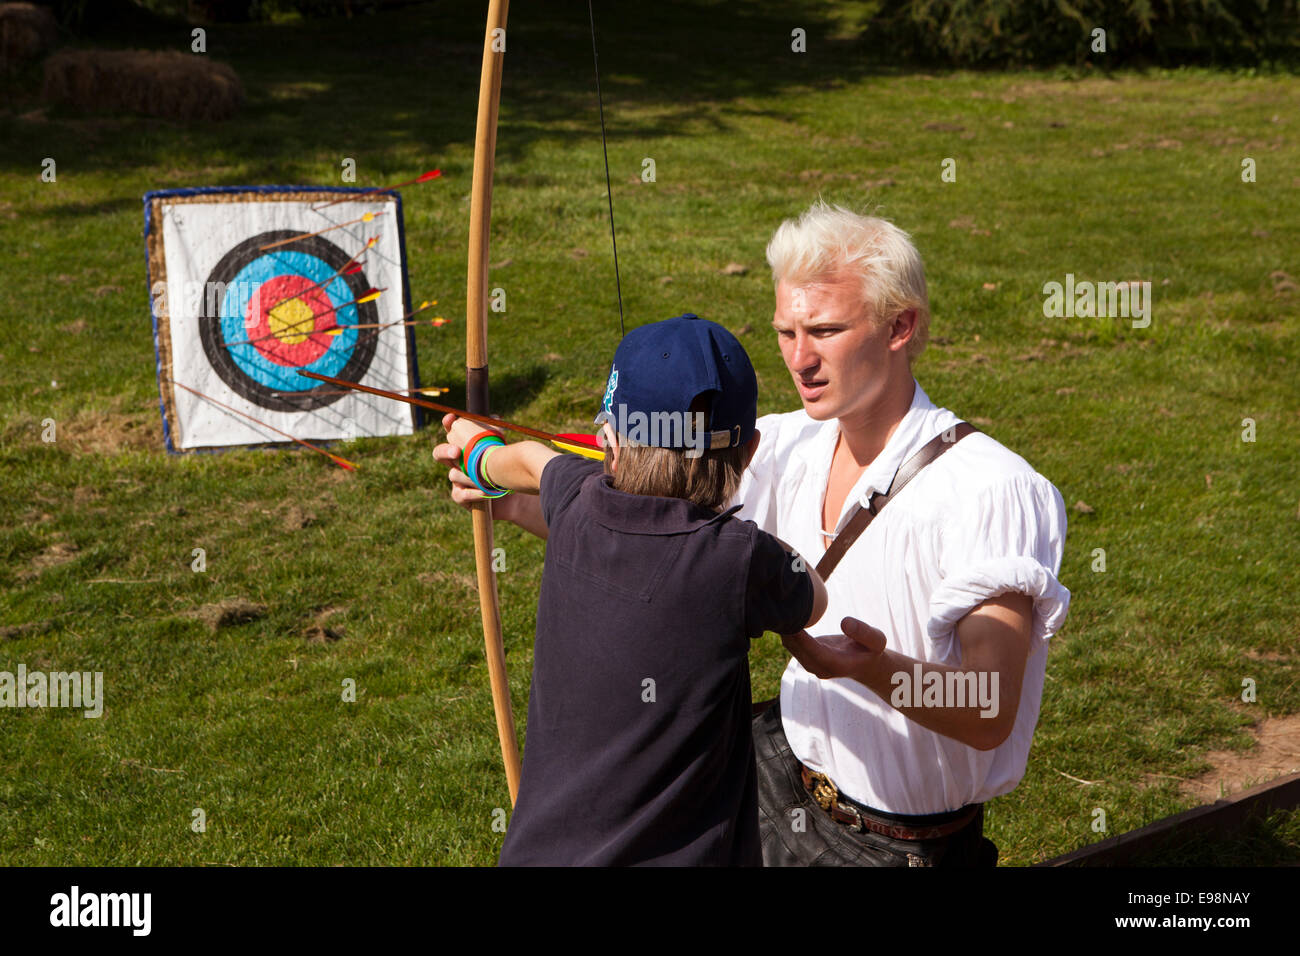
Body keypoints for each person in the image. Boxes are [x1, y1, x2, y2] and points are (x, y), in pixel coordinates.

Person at [739, 201, 1070, 866]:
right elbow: (645, 520)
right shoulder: (788, 444)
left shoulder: (990, 490)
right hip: (774, 770)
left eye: (825, 331)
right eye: (785, 332)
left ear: (901, 326)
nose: (799, 360)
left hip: (896, 846)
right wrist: (502, 484)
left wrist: (876, 671)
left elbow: (986, 706)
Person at [436, 314, 827, 866]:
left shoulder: (575, 498)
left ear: (609, 442)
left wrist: (481, 458)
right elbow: (814, 594)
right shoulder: (737, 559)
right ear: (750, 449)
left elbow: (529, 461)